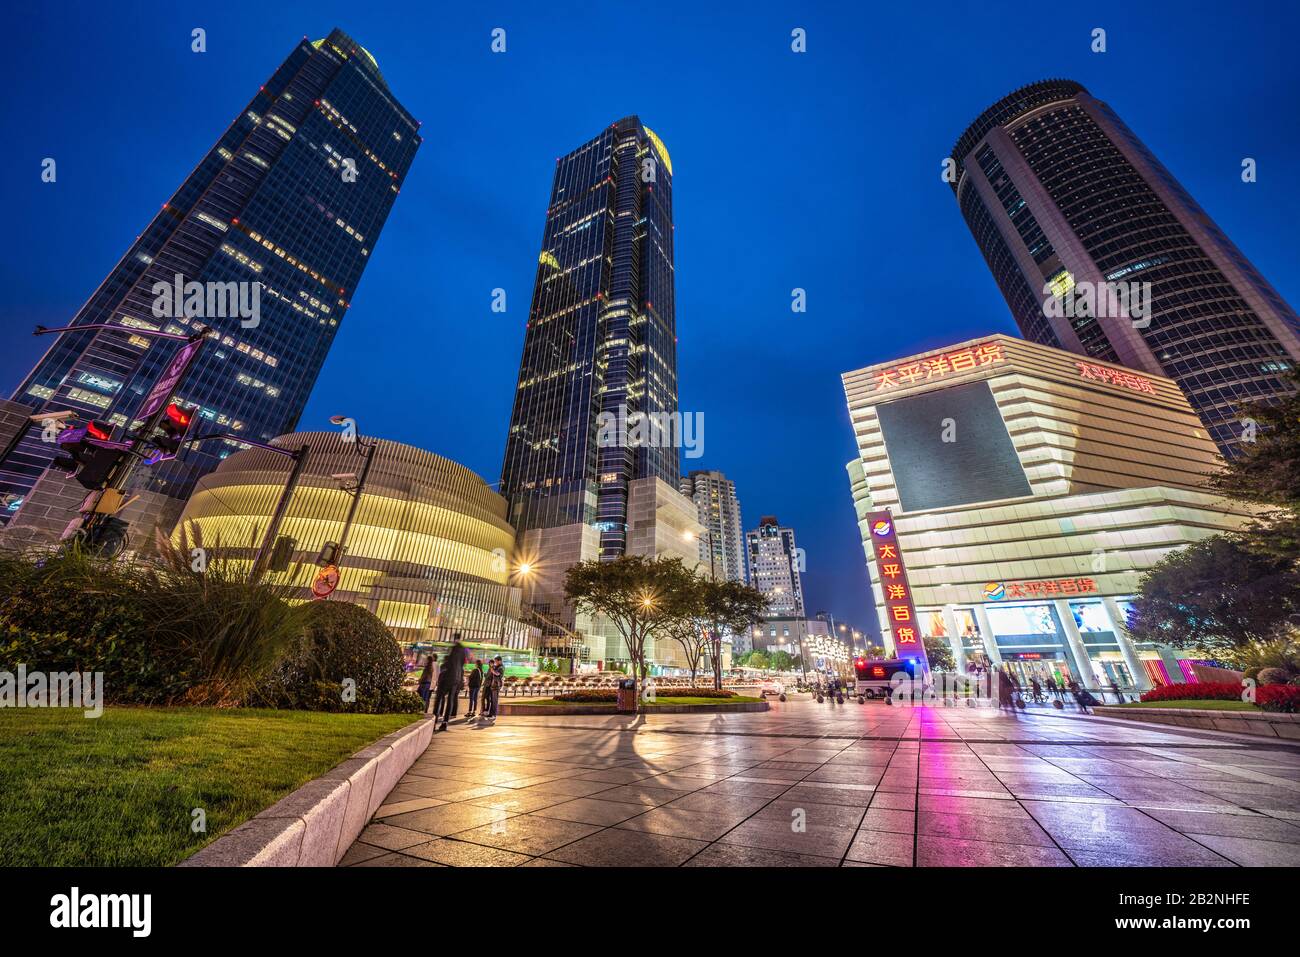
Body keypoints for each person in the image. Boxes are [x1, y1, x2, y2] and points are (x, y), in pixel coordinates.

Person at [436, 634, 469, 731]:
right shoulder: (463, 650)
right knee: (450, 699)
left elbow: (450, 662)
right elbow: (462, 663)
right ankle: (445, 722)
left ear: (455, 639)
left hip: (450, 677)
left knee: (440, 698)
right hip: (457, 679)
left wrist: (444, 666)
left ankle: (435, 718)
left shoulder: (455, 648)